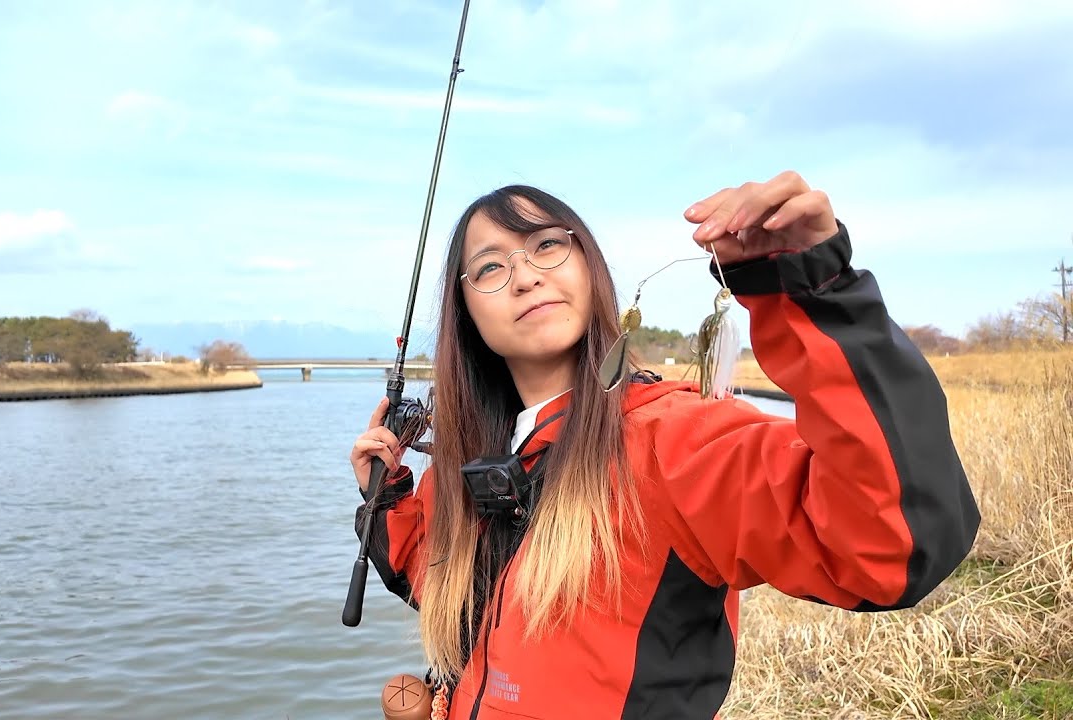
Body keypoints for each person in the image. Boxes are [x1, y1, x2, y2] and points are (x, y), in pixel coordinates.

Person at [349, 173, 980, 720]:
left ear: (590, 267)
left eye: (547, 245)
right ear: (464, 312)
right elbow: (445, 584)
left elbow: (887, 542)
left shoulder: (675, 440)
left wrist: (813, 288)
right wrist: (388, 494)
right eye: (490, 267)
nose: (526, 276)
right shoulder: (470, 466)